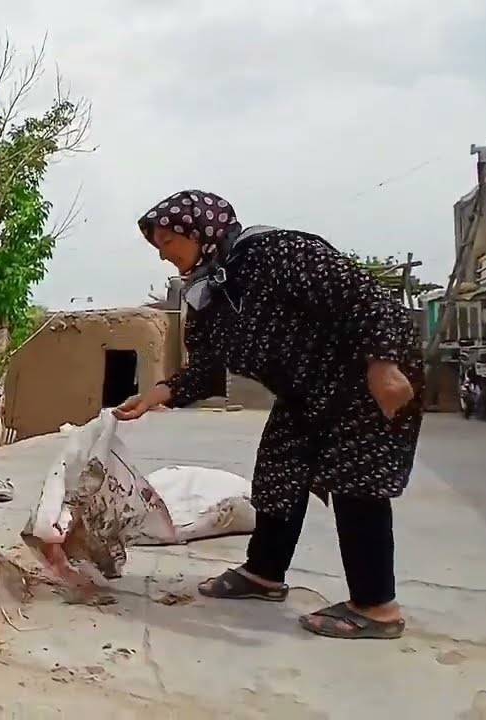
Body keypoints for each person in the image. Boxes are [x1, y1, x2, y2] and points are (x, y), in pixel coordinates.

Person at [114, 190, 422, 640]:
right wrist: (153, 396)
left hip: (365, 373)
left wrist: (383, 362)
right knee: (278, 471)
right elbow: (204, 369)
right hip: (306, 391)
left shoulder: (276, 252)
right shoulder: (208, 295)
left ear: (200, 231)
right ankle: (264, 573)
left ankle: (376, 606)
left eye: (167, 241)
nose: (162, 254)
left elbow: (363, 296)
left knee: (357, 483)